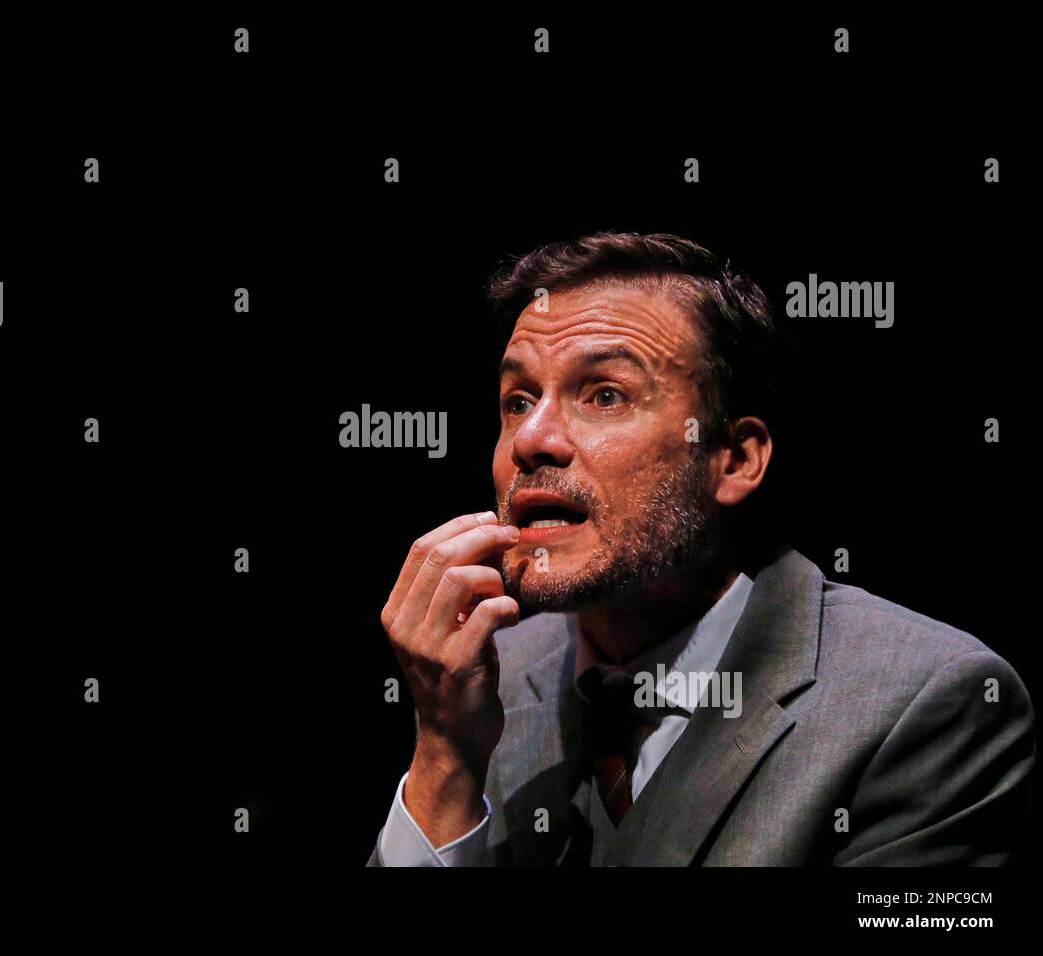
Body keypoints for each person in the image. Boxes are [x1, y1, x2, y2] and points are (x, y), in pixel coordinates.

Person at [368, 231, 1034, 866]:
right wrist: (445, 759)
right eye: (517, 400)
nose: (530, 440)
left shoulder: (923, 701)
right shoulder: (477, 679)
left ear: (735, 459)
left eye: (604, 394)